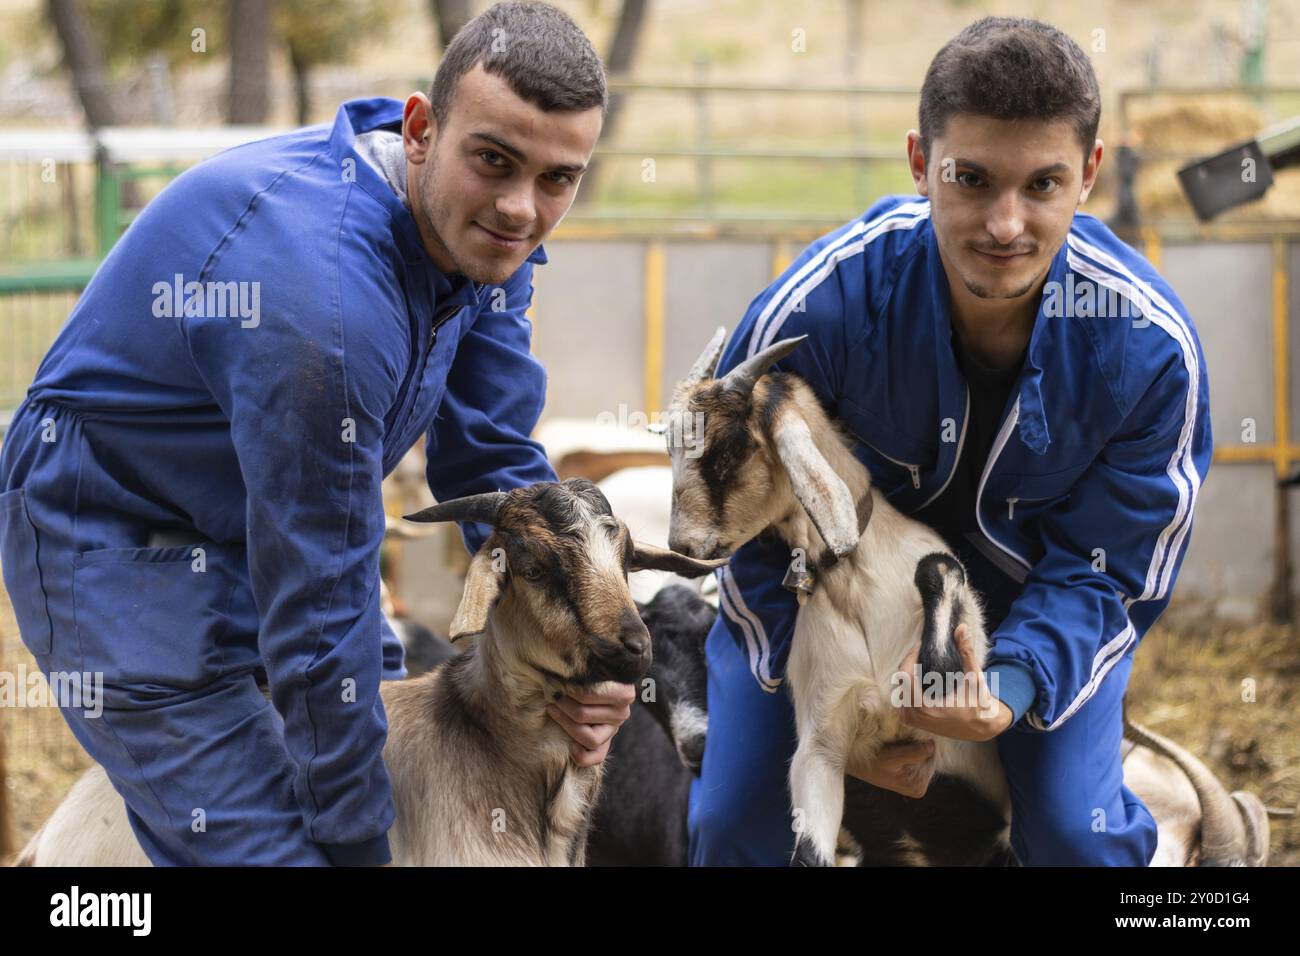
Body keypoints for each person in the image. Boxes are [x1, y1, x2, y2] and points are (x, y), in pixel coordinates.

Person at [0, 1, 633, 867]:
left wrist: (583, 650)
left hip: (278, 517)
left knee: (376, 758)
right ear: (420, 130)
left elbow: (492, 461)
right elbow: (316, 602)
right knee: (281, 846)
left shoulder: (478, 237)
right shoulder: (324, 308)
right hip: (113, 533)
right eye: (494, 160)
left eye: (558, 178)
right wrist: (359, 846)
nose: (522, 208)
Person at [686, 16, 1211, 867]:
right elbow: (733, 513)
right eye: (971, 179)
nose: (1005, 224)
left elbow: (1112, 569)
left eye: (1043, 184)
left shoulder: (1147, 350)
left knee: (1081, 836)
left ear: (1090, 174)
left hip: (1032, 611)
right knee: (733, 821)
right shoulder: (815, 312)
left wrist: (1006, 687)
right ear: (920, 163)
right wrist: (829, 697)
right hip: (821, 613)